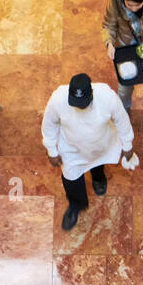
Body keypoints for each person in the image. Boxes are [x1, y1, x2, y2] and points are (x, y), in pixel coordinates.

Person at [42, 73, 135, 231]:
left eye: (83, 103)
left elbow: (122, 120)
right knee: (70, 178)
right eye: (75, 102)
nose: (79, 106)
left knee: (97, 162)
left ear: (91, 94)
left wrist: (127, 145)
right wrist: (51, 150)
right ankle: (75, 204)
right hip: (71, 150)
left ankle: (98, 178)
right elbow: (49, 124)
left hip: (99, 144)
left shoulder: (107, 97)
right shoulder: (58, 99)